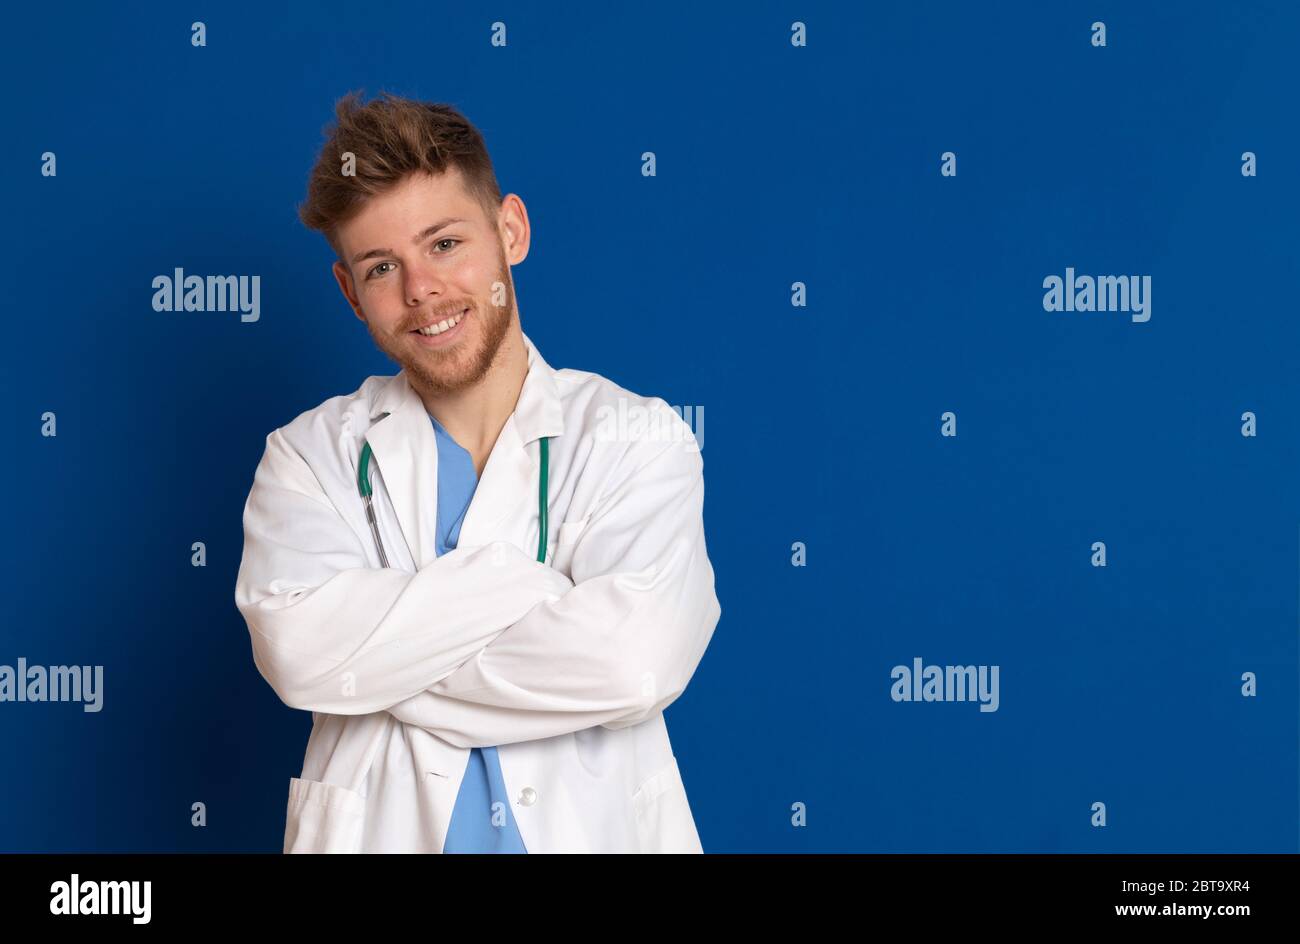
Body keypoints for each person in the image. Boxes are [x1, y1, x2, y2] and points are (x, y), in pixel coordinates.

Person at [233, 91, 721, 853]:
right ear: (349, 293)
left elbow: (634, 662)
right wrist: (528, 588)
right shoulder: (309, 457)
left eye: (445, 244)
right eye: (381, 266)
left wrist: (383, 670)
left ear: (511, 231)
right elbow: (300, 658)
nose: (420, 289)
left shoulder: (635, 437)